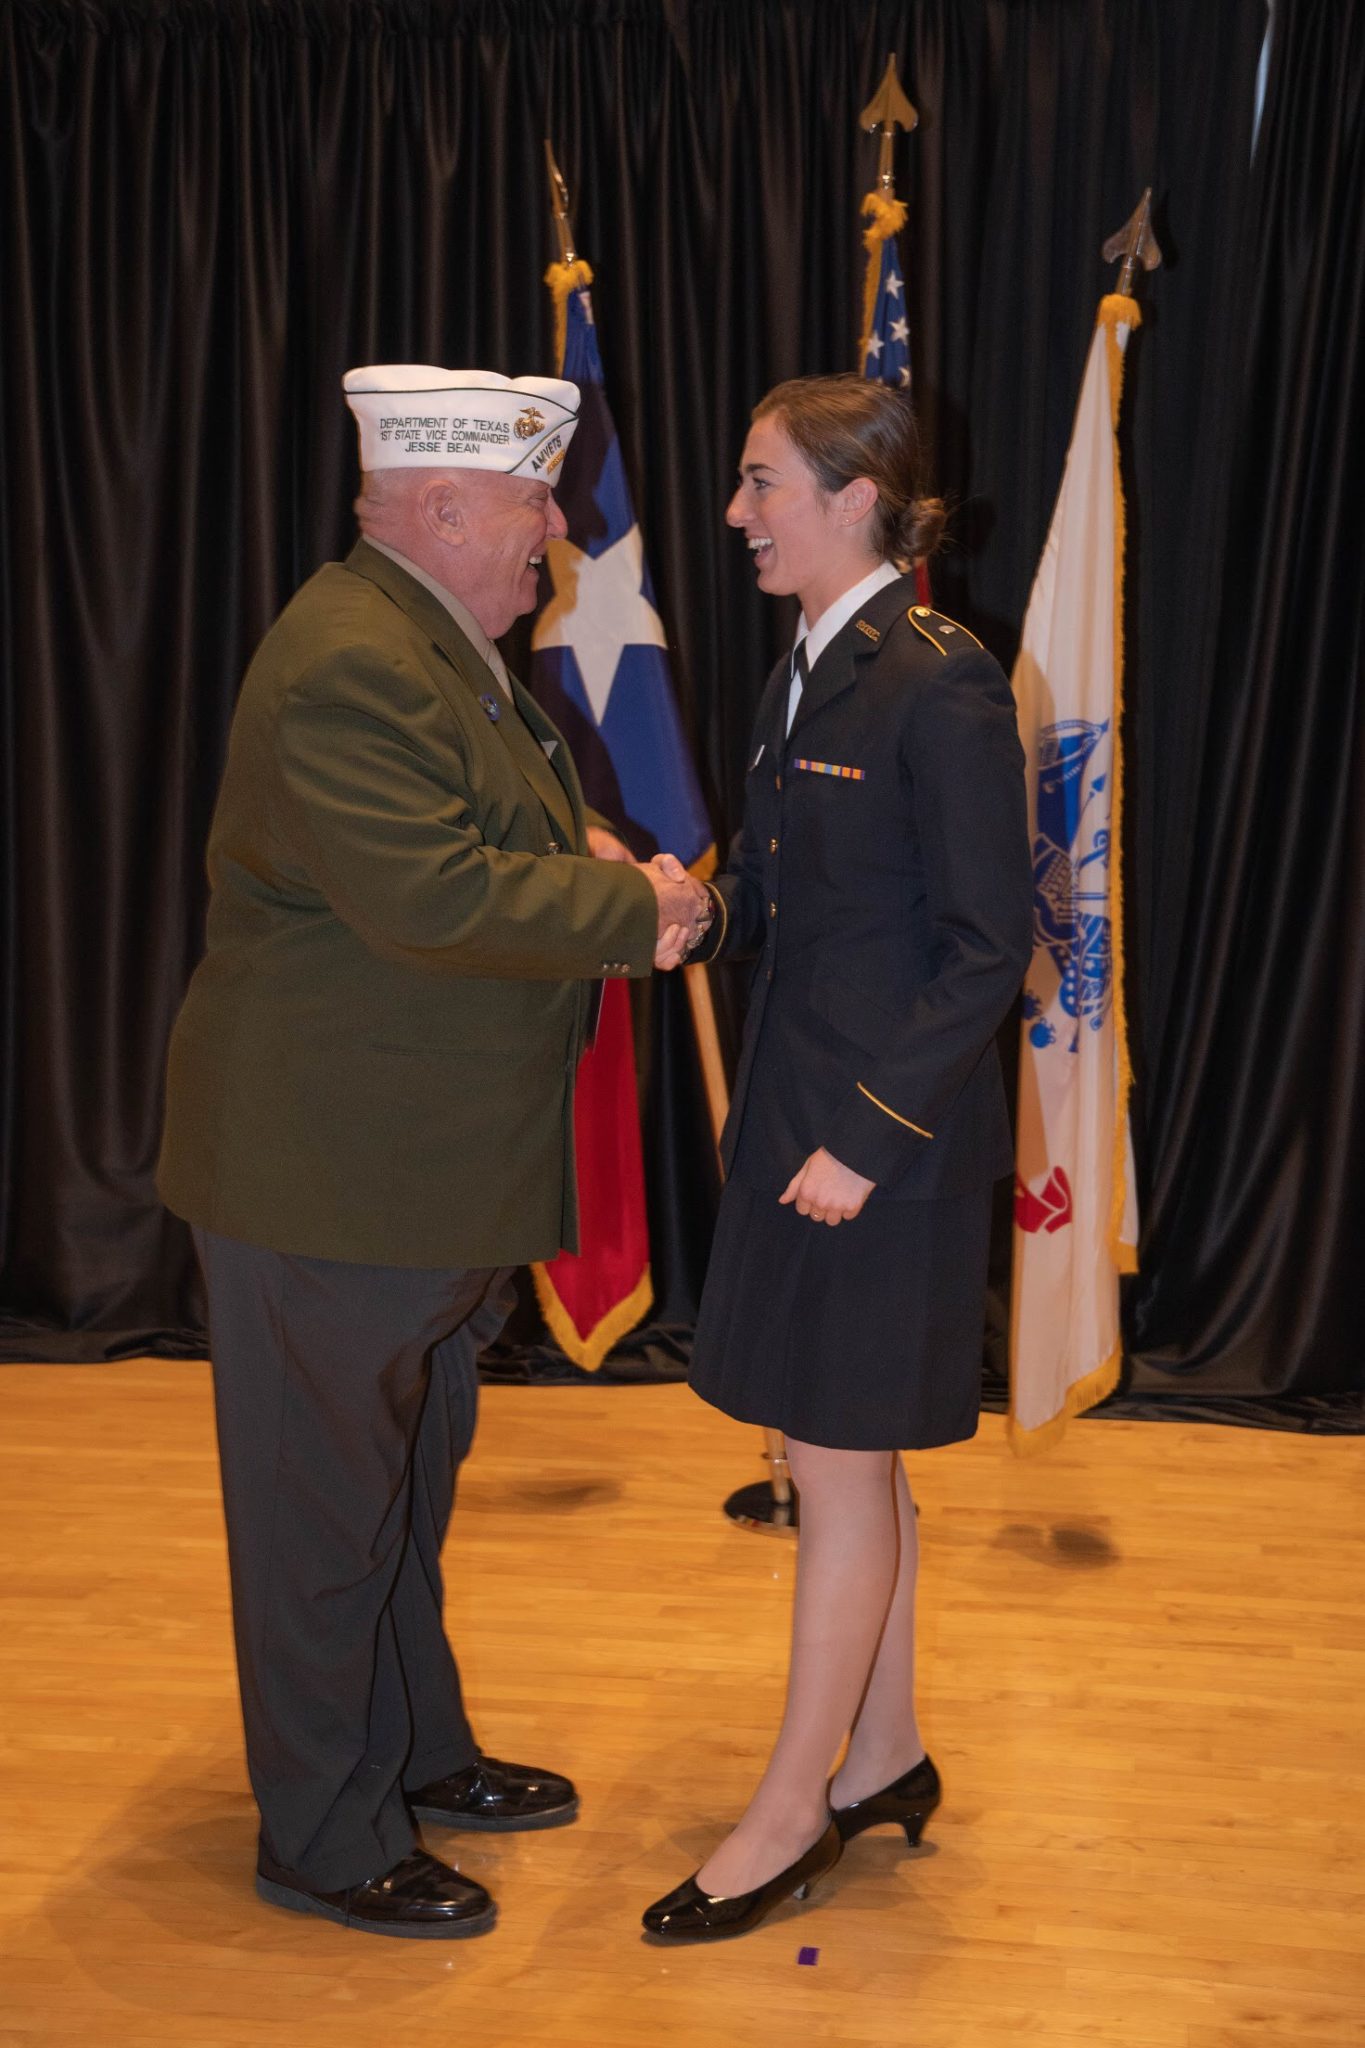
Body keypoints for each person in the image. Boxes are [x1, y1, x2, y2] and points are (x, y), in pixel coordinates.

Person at [157, 363, 710, 1940]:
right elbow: (431, 896)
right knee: (324, 1516)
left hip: (414, 1176)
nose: (555, 528)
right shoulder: (353, 657)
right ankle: (325, 1835)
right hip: (331, 1177)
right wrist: (636, 908)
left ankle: (412, 1752)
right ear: (444, 504)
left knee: (393, 1491)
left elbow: (486, 828)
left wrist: (584, 847)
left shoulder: (427, 642)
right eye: (536, 500)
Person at [642, 374, 1033, 1942]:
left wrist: (867, 1142)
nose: (737, 514)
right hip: (799, 1122)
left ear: (852, 497)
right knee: (838, 1456)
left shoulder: (938, 679)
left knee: (837, 1460)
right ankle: (882, 1756)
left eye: (761, 484)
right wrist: (701, 912)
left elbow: (985, 945)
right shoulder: (804, 666)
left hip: (883, 1147)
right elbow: (793, 896)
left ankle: (790, 1810)